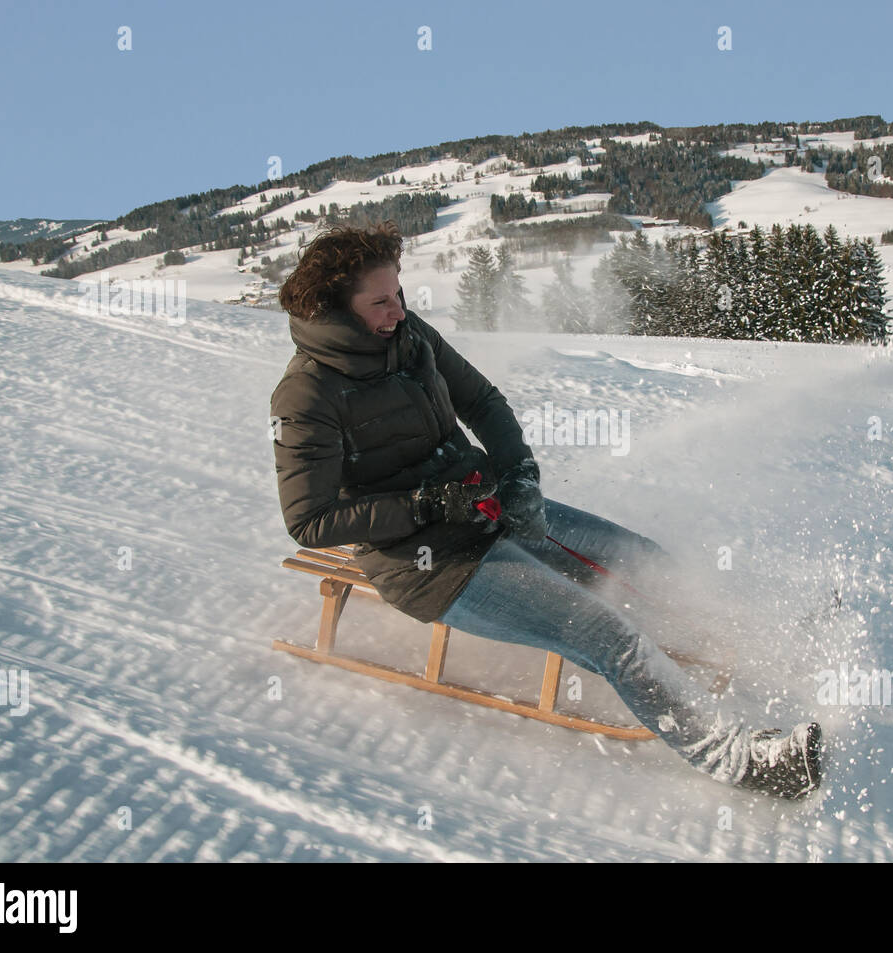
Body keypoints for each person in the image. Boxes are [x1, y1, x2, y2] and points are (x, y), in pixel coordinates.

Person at [269, 221, 821, 799]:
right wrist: (426, 504)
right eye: (380, 301)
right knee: (610, 637)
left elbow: (481, 400)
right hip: (431, 564)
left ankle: (764, 635)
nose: (399, 311)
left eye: (400, 294)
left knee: (639, 558)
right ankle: (747, 763)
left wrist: (520, 477)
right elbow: (308, 521)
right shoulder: (306, 395)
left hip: (489, 503)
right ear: (335, 307)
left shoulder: (410, 337)